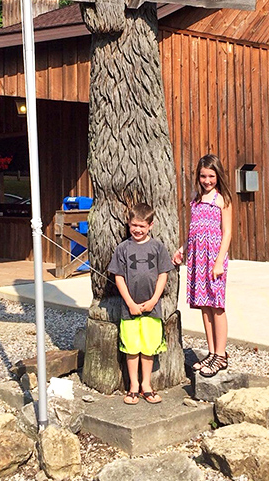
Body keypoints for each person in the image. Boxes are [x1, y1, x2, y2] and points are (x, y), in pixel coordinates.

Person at [108, 202, 174, 405]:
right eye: (134, 225)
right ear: (129, 223)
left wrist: (154, 299)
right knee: (132, 347)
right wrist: (129, 303)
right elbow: (118, 276)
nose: (137, 229)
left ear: (150, 226)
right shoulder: (123, 249)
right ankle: (133, 386)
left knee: (148, 348)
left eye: (142, 226)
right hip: (130, 309)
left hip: (152, 308)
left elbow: (163, 273)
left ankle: (146, 384)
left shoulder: (157, 247)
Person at [173, 154, 232, 377]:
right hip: (198, 257)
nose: (207, 180)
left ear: (218, 176)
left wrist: (219, 262)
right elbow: (193, 231)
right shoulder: (196, 200)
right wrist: (183, 249)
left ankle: (221, 354)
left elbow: (226, 233)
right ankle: (211, 351)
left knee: (217, 305)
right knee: (204, 305)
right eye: (203, 176)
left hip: (213, 257)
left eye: (211, 176)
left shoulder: (222, 199)